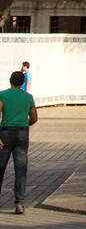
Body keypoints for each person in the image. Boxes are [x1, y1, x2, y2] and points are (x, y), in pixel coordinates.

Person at [0, 70, 38, 213]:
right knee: (20, 169)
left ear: (10, 81)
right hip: (22, 133)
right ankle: (19, 203)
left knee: (1, 167)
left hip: (5, 133)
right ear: (22, 82)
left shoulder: (2, 95)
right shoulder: (28, 97)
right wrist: (25, 124)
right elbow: (34, 117)